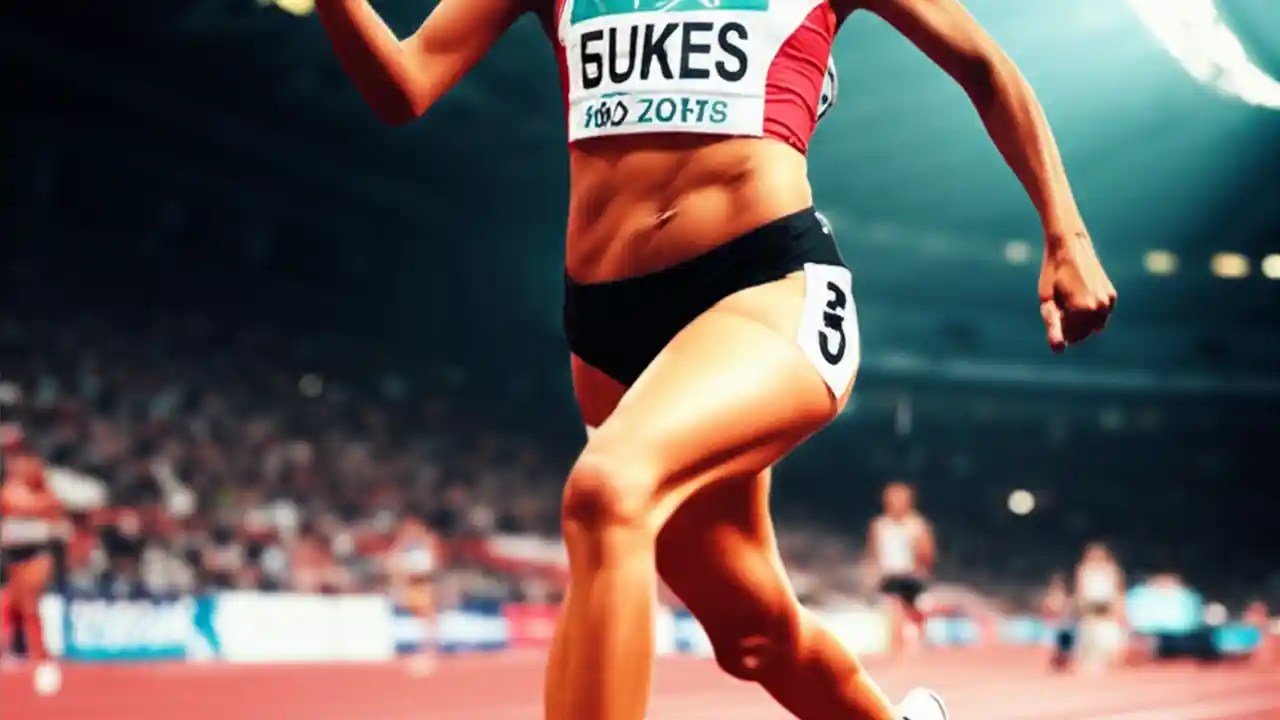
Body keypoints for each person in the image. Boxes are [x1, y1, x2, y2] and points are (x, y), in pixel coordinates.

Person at [316, 0, 1117, 716]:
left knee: (606, 493)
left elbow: (983, 63)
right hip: (605, 326)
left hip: (764, 287)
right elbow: (404, 83)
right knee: (753, 635)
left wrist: (1066, 234)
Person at [0, 426, 63, 695]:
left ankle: (41, 658)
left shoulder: (34, 476)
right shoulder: (8, 484)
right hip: (14, 552)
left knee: (29, 604)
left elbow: (52, 509)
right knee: (12, 602)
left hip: (36, 551)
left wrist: (29, 508)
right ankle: (13, 651)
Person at [866, 482, 934, 657]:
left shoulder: (917, 524)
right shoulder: (879, 525)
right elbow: (873, 551)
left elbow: (927, 551)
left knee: (913, 613)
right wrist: (873, 571)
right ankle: (896, 651)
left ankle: (920, 645)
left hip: (911, 575)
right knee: (894, 611)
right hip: (890, 575)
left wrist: (923, 569)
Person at [387, 514, 444, 676]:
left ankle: (429, 652)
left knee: (428, 619)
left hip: (422, 585)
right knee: (419, 620)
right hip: (409, 586)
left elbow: (432, 566)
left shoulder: (427, 543)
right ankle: (420, 651)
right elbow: (393, 563)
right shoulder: (403, 545)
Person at [1074, 542, 1126, 674]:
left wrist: (1119, 607)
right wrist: (1081, 606)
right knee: (1089, 639)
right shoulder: (1084, 570)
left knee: (1108, 640)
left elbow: (1118, 590)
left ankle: (1103, 664)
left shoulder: (1111, 570)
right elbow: (1081, 591)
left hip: (1107, 610)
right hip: (1091, 610)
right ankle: (1088, 664)